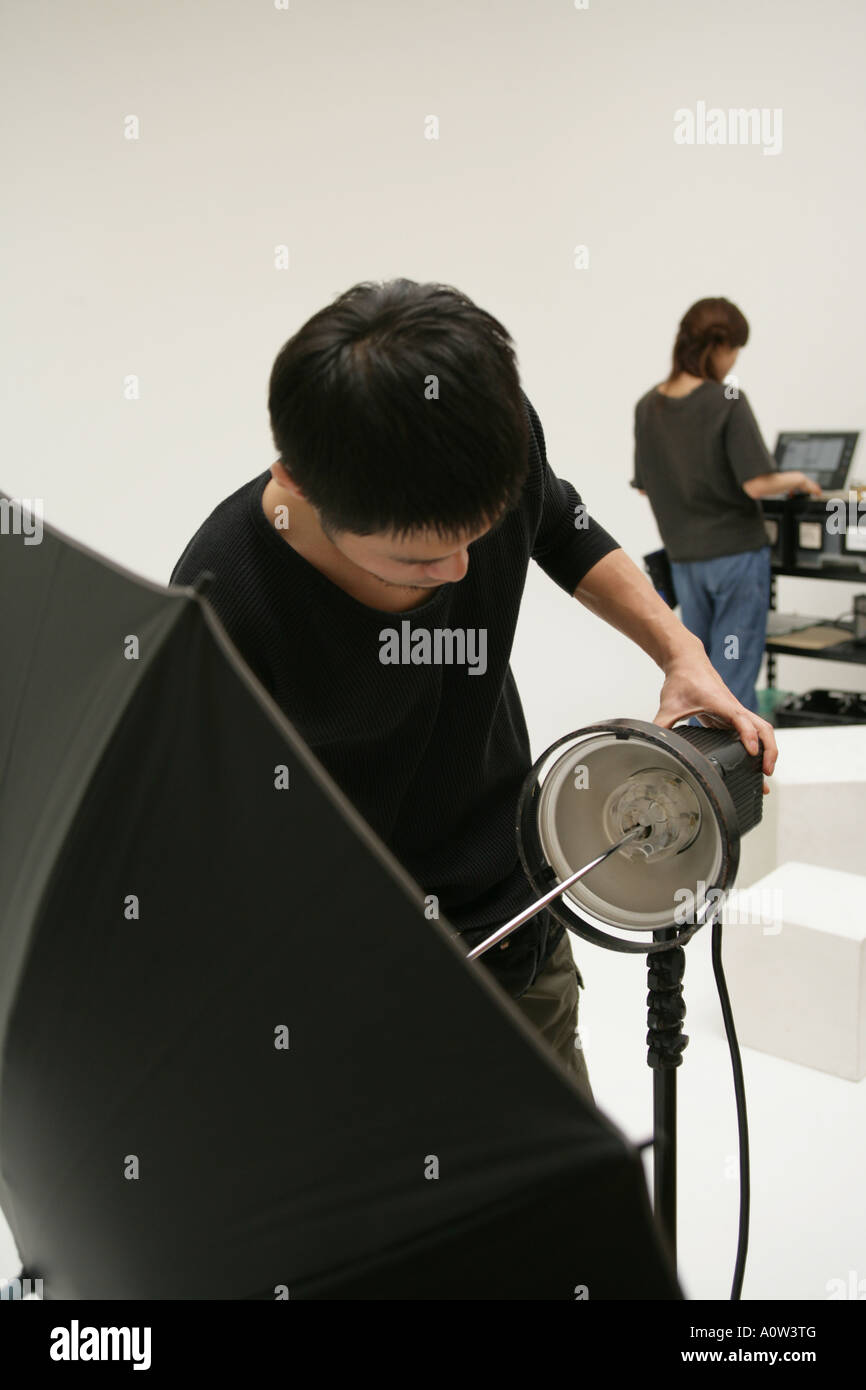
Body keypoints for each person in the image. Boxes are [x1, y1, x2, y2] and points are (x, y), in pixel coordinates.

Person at [171, 279, 777, 1104]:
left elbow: (559, 524)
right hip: (349, 994)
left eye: (479, 536)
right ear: (300, 485)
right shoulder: (222, 607)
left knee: (560, 1216)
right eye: (420, 560)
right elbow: (218, 866)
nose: (461, 574)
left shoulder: (494, 437)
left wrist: (679, 647)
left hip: (517, 923)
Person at [632, 297, 822, 714]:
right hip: (736, 557)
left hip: (684, 563)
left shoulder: (648, 406)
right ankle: (739, 777)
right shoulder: (726, 399)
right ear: (719, 347)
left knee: (695, 676)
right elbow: (756, 484)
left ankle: (699, 775)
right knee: (733, 685)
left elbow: (646, 487)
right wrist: (798, 479)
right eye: (734, 350)